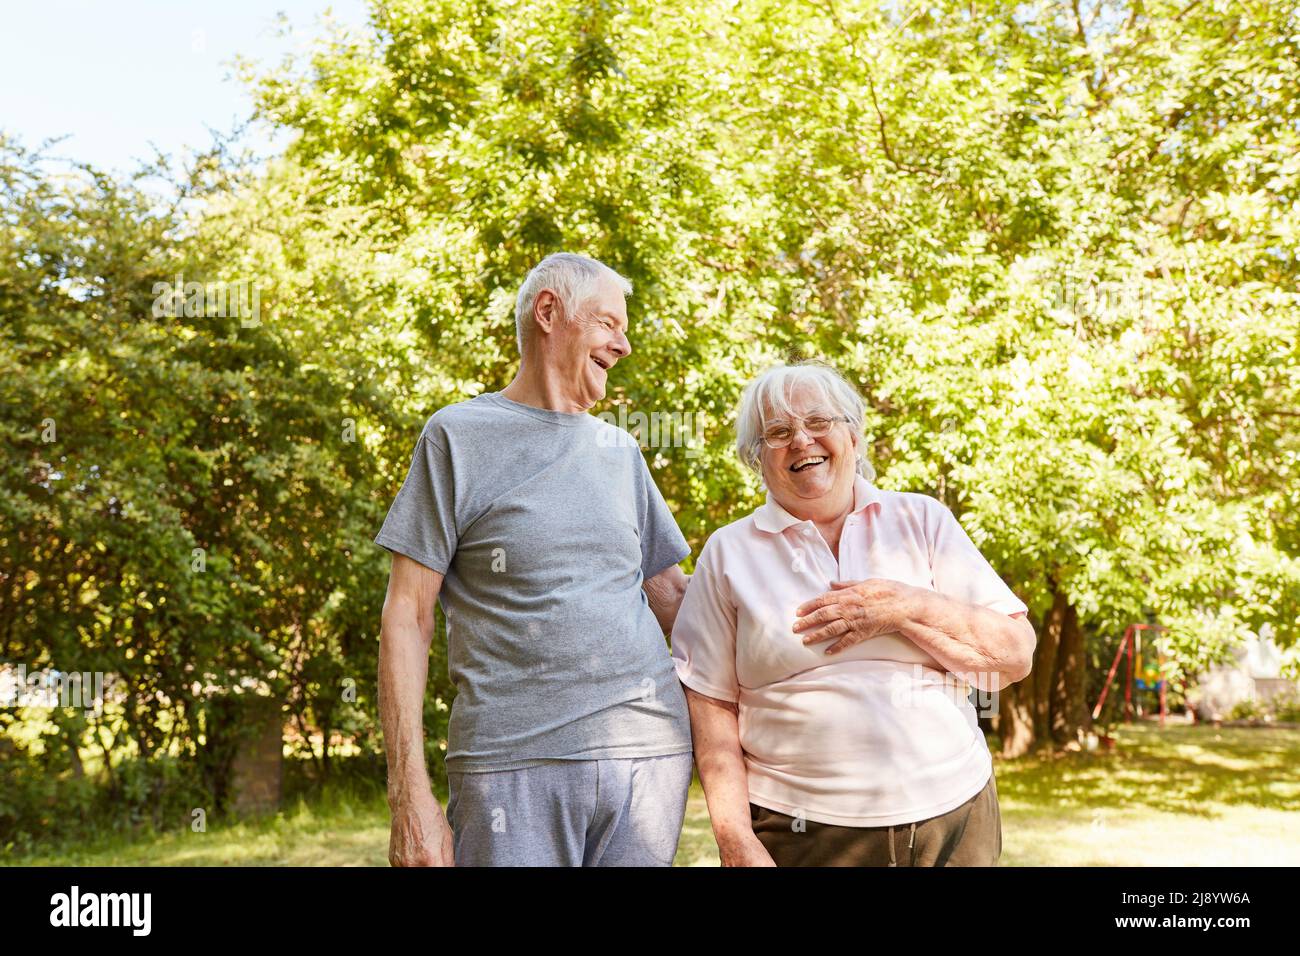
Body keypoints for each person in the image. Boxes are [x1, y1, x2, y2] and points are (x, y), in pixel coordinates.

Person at [376, 253, 694, 866]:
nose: (623, 345)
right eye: (609, 324)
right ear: (550, 312)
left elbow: (676, 603)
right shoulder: (457, 437)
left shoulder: (620, 451)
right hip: (510, 764)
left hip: (648, 757)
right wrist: (408, 794)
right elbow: (406, 616)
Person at [671, 360, 1035, 866]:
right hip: (805, 828)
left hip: (954, 814)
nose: (802, 440)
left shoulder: (922, 520)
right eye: (778, 432)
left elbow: (1014, 656)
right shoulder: (729, 552)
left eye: (819, 422)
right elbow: (711, 704)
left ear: (855, 436)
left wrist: (904, 607)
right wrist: (734, 835)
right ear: (757, 459)